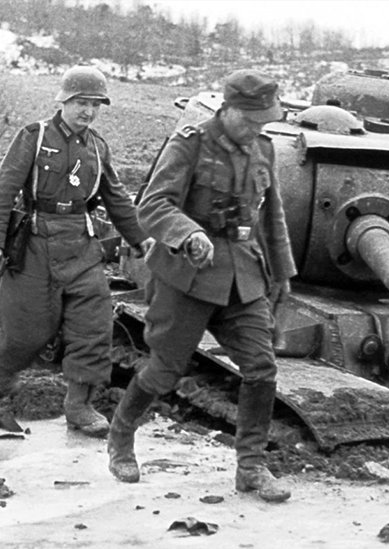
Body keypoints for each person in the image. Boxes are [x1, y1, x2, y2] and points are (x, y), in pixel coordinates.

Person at [107, 69, 297, 503]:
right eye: (249, 120)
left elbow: (273, 217)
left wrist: (283, 273)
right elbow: (152, 204)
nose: (256, 130)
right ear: (226, 109)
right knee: (165, 371)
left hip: (244, 278)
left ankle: (250, 467)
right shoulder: (189, 143)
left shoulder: (263, 149)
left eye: (262, 122)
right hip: (186, 277)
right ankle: (120, 438)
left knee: (262, 368)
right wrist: (188, 233)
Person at [0, 66, 154, 438]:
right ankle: (1, 359)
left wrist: (141, 239)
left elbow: (116, 198)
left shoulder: (97, 147)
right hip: (36, 243)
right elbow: (2, 188)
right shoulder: (35, 137)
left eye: (94, 105)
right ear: (64, 101)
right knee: (27, 331)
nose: (87, 111)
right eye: (80, 103)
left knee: (94, 327)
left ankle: (79, 406)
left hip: (82, 246)